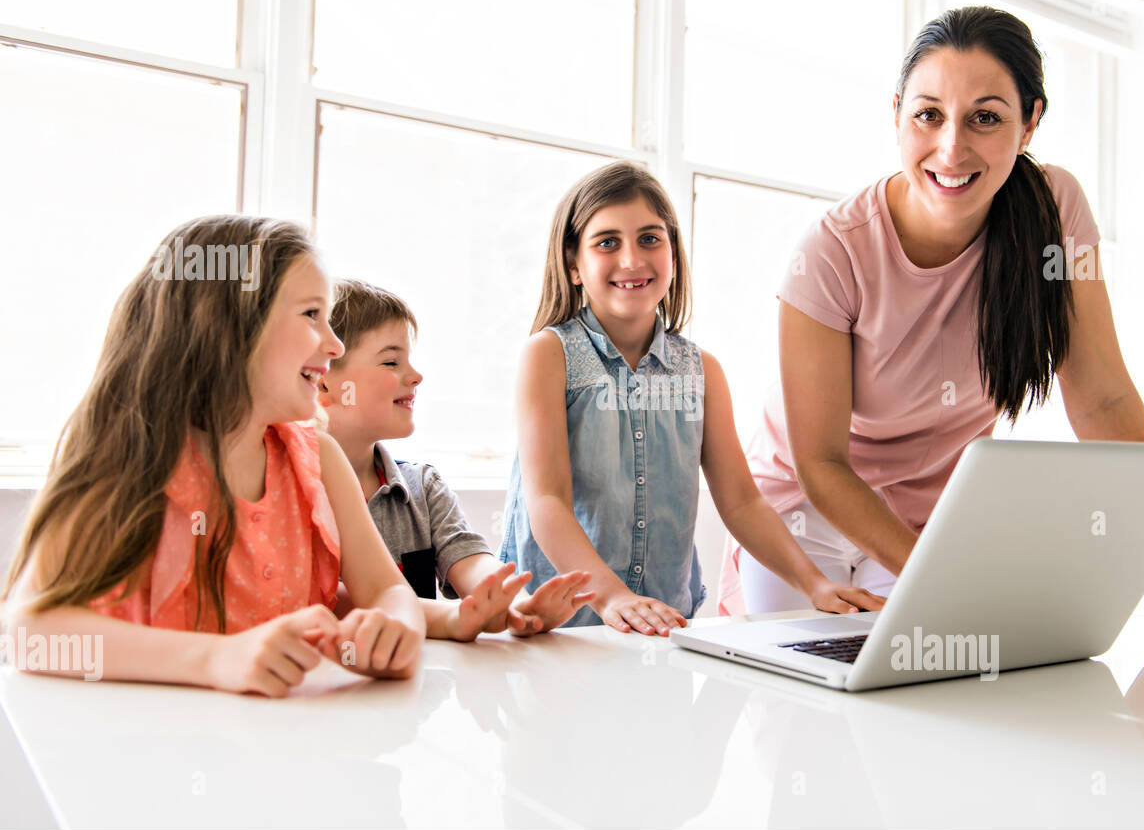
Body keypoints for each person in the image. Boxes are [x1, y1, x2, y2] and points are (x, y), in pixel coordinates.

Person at [721, 5, 1144, 638]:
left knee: (944, 694)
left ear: (1029, 124)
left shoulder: (1057, 213)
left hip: (932, 516)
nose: (951, 146)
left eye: (986, 118)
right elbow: (823, 463)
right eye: (928, 115)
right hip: (805, 513)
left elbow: (1104, 399)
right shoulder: (830, 251)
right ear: (896, 116)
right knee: (809, 705)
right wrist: (945, 585)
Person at [2, 215, 426, 696]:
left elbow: (388, 590)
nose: (334, 344)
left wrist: (396, 628)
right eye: (311, 315)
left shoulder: (319, 461)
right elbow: (30, 637)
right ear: (230, 328)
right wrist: (219, 659)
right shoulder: (132, 460)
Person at [499, 161, 882, 636]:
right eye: (607, 242)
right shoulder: (549, 355)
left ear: (674, 257)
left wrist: (815, 585)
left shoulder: (703, 371)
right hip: (560, 626)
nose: (632, 259)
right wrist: (612, 595)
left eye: (650, 238)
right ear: (574, 265)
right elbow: (547, 502)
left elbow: (742, 502)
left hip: (662, 620)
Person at [318, 278, 594, 639]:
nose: (415, 376)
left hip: (413, 683)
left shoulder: (423, 486)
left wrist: (513, 603)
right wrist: (452, 620)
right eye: (390, 362)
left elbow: (469, 560)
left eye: (409, 360)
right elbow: (337, 602)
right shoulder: (296, 489)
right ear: (322, 380)